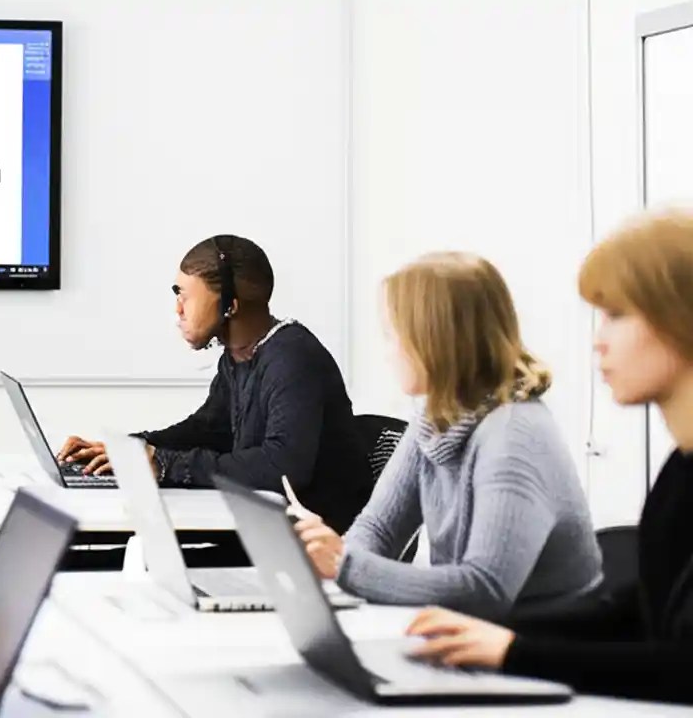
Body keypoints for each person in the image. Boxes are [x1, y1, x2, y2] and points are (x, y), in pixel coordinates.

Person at [405, 211, 693, 705]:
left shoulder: (515, 429)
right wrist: (492, 634)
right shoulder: (681, 472)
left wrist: (515, 653)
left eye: (619, 315)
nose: (598, 339)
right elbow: (640, 612)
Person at [292, 253, 601, 620]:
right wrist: (338, 561)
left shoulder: (514, 435)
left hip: (537, 653)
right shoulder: (435, 414)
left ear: (433, 339)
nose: (387, 353)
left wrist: (344, 566)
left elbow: (484, 590)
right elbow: (378, 529)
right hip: (472, 641)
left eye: (393, 336)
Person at [59, 234, 372, 532]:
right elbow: (208, 430)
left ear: (229, 306)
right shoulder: (239, 356)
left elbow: (284, 465)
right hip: (265, 528)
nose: (177, 309)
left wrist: (165, 464)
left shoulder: (292, 358)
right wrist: (132, 449)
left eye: (186, 296)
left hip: (314, 544)